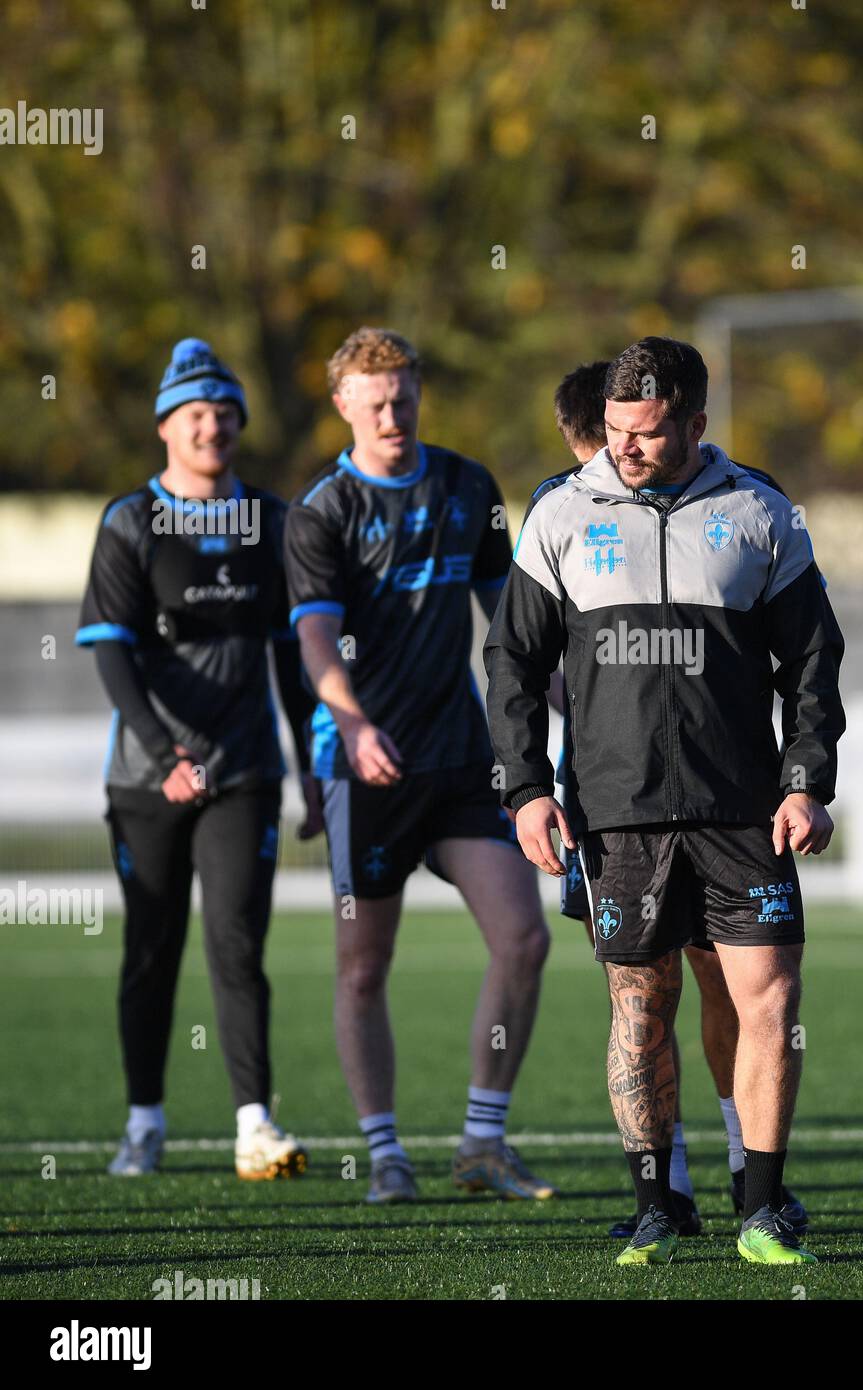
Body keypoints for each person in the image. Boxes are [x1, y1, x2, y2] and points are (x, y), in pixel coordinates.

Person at [486, 337, 845, 1265]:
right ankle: (657, 1202)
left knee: (766, 998)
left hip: (742, 809)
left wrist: (806, 780)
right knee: (642, 1004)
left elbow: (812, 663)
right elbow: (512, 663)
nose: (624, 450)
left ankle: (759, 1207)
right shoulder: (560, 514)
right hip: (617, 811)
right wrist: (526, 789)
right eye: (612, 432)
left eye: (646, 434)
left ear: (695, 422)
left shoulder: (760, 511)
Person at [283, 327, 554, 1204]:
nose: (394, 414)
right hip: (363, 770)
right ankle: (385, 1151)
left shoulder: (470, 486)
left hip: (461, 762)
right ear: (344, 406)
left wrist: (570, 710)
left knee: (524, 938)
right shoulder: (322, 509)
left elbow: (510, 621)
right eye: (376, 401)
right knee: (364, 967)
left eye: (405, 398)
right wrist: (353, 724)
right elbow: (316, 636)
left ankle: (482, 1140)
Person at [76, 338, 315, 1180]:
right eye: (194, 414)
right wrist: (160, 751)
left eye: (224, 413)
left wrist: (312, 768)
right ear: (166, 429)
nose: (211, 427)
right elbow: (110, 653)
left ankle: (255, 1123)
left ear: (238, 425)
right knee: (151, 948)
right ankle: (144, 1121)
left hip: (244, 774)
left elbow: (295, 656)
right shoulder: (129, 523)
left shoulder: (276, 522)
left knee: (237, 946)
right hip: (147, 780)